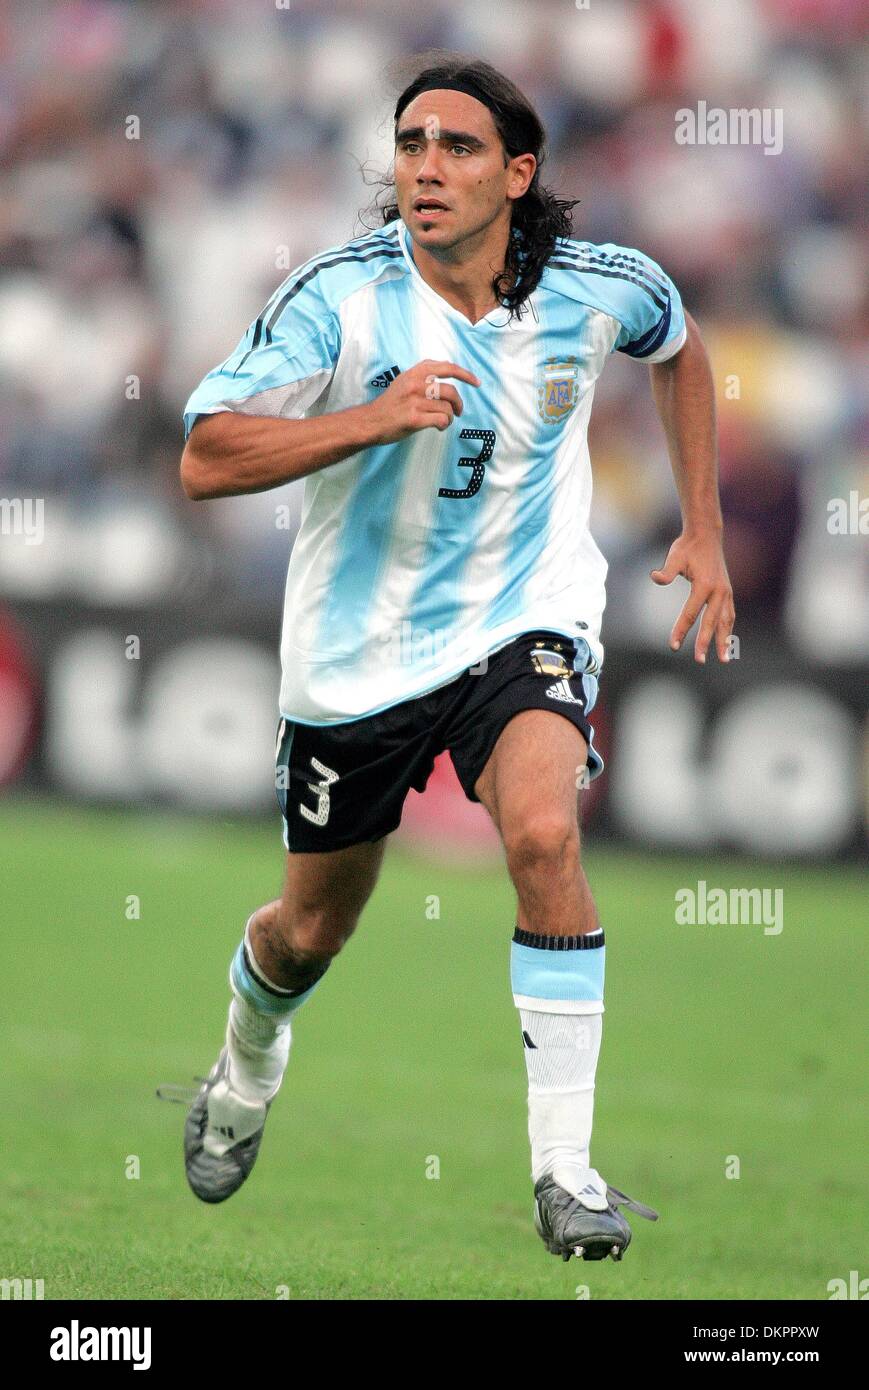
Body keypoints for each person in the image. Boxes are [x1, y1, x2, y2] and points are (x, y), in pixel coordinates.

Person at [178, 56, 734, 1263]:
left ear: (516, 173)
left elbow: (681, 349)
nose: (425, 168)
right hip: (355, 654)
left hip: (522, 616)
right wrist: (370, 417)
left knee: (542, 833)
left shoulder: (597, 289)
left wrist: (702, 526)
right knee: (309, 932)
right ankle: (247, 1057)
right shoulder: (339, 299)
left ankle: (564, 1172)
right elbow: (207, 454)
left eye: (458, 147)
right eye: (411, 144)